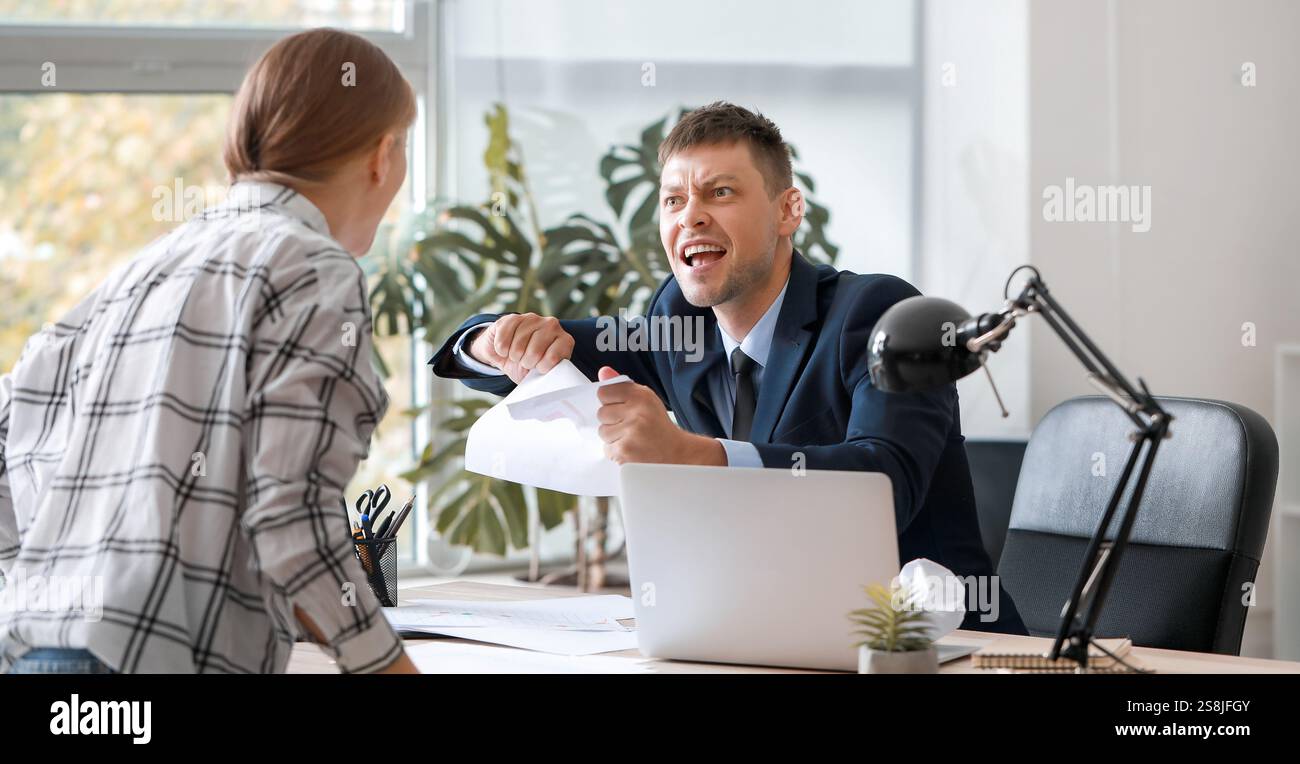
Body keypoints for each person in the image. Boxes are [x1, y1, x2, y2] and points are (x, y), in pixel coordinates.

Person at [430, 102, 1026, 634]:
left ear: (788, 210)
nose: (690, 217)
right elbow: (552, 347)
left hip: (937, 641)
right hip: (764, 633)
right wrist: (491, 341)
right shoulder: (681, 326)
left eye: (720, 193)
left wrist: (697, 455)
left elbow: (885, 482)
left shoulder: (876, 312)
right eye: (673, 200)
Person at [0, 28, 419, 673]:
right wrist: (388, 667)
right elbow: (292, 520)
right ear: (382, 156)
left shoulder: (141, 269)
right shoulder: (314, 269)